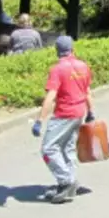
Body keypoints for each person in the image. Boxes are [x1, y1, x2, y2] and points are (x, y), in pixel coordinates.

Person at [32, 36, 95, 204]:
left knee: (48, 149)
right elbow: (88, 91)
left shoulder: (58, 69)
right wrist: (91, 112)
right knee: (68, 148)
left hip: (64, 113)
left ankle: (67, 181)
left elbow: (51, 96)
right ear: (72, 48)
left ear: (57, 50)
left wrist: (39, 120)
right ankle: (69, 180)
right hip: (79, 112)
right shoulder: (83, 66)